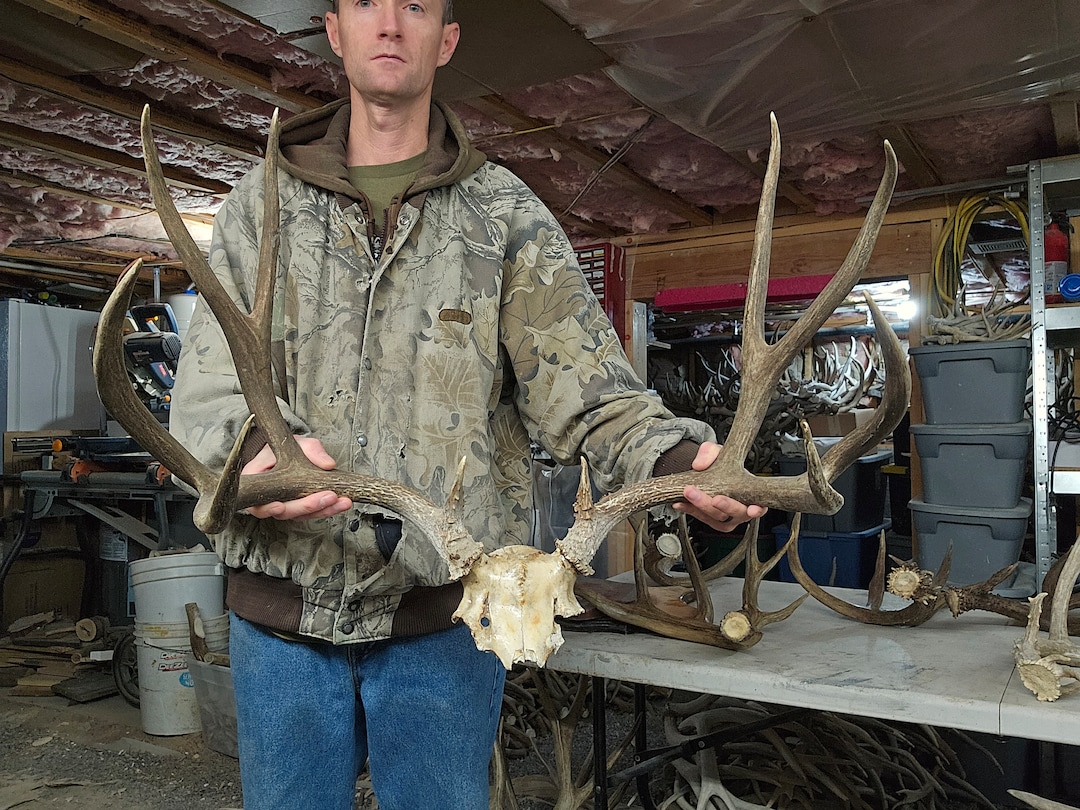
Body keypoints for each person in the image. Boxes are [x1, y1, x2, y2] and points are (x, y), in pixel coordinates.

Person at [168, 1, 765, 808]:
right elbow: (209, 385)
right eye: (366, 3)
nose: (390, 23)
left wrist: (673, 457)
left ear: (445, 40)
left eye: (414, 5)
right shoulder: (259, 205)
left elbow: (588, 387)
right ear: (334, 30)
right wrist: (251, 458)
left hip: (445, 624)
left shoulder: (505, 215)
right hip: (284, 619)